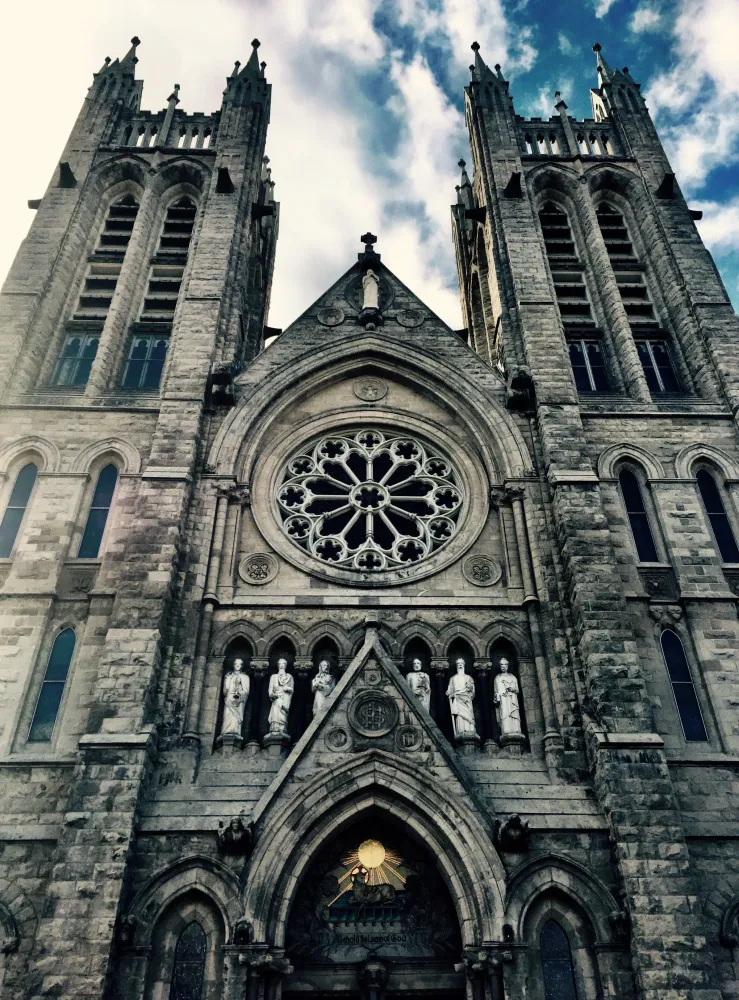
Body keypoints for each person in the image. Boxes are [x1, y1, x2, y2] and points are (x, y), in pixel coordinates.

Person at [446, 658, 477, 737]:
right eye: (458, 663)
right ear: (456, 666)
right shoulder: (453, 678)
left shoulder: (468, 678)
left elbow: (472, 692)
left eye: (461, 663)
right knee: (460, 716)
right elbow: (450, 690)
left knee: (469, 716)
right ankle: (461, 730)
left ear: (464, 665)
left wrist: (470, 690)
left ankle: (470, 730)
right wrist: (449, 693)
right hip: (458, 699)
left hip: (466, 699)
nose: (460, 665)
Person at [220, 658, 249, 739]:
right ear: (233, 665)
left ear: (242, 666)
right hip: (229, 698)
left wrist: (240, 691)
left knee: (235, 718)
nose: (237, 665)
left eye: (239, 664)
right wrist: (227, 680)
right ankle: (226, 731)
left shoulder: (245, 677)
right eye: (236, 663)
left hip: (238, 699)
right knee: (227, 715)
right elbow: (225, 692)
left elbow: (246, 691)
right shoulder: (229, 676)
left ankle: (235, 732)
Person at [494, 657, 523, 737]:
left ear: (507, 666)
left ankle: (516, 730)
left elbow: (517, 690)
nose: (503, 666)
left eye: (505, 665)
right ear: (500, 666)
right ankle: (506, 730)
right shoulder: (497, 678)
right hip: (503, 700)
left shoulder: (513, 677)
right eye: (502, 665)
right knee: (504, 714)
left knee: (514, 714)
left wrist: (511, 689)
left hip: (512, 699)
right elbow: (496, 691)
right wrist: (497, 697)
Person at [268, 657, 294, 734]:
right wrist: (272, 695)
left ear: (286, 665)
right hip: (276, 699)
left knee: (283, 716)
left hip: (285, 699)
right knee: (275, 715)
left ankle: (282, 728)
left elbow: (292, 689)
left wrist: (287, 689)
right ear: (278, 665)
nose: (282, 665)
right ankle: (275, 728)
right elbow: (270, 690)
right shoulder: (274, 676)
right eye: (280, 664)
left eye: (283, 664)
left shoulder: (289, 677)